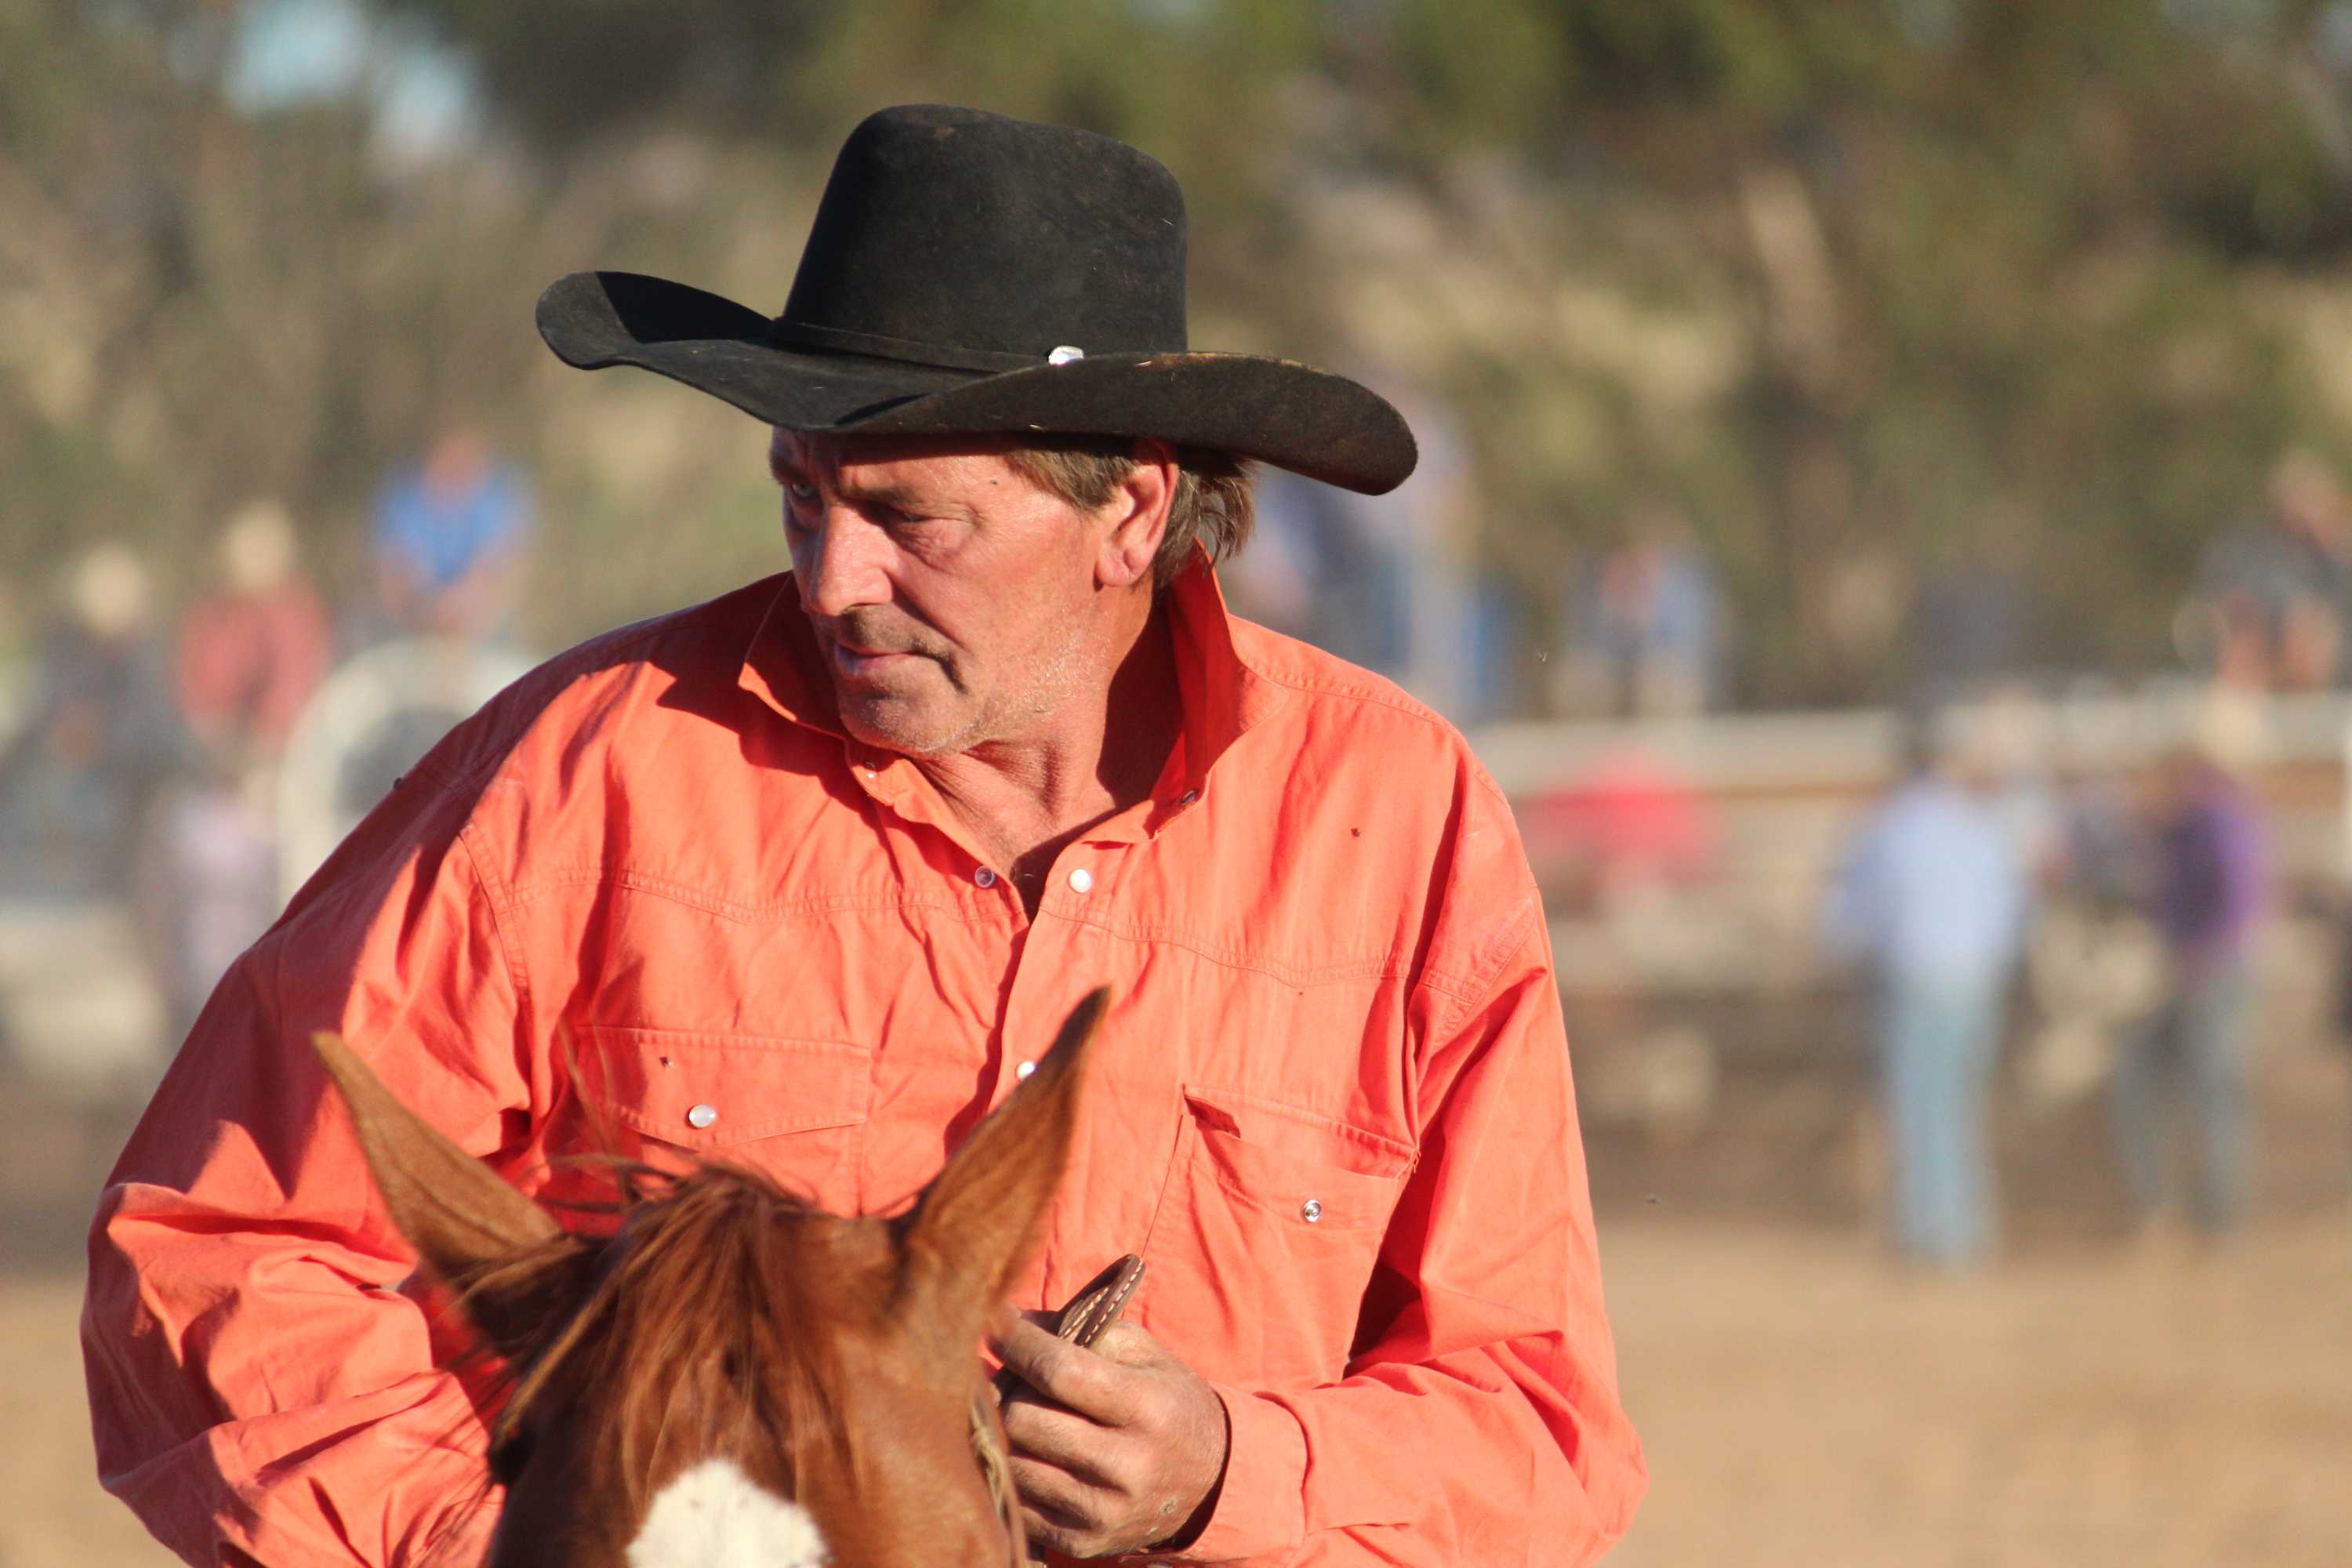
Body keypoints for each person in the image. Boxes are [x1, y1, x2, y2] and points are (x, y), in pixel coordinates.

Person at [84, 106, 1646, 1566]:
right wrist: (509, 1537)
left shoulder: (1399, 827)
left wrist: (1229, 1469)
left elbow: (1537, 1425)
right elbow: (221, 1240)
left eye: (911, 521)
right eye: (803, 499)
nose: (834, 579)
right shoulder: (594, 769)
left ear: (1127, 510)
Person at [1824, 714, 2030, 1269]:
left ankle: (1925, 1232)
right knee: (1961, 1105)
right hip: (1974, 978)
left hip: (1915, 974)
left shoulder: (1886, 825)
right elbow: (2009, 908)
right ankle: (1967, 1232)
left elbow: (1850, 916)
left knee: (1918, 1106)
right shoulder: (1978, 824)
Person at [2113, 702, 2270, 1239]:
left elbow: (2236, 900)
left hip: (2209, 970)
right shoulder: (2199, 820)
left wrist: (2198, 952)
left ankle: (2213, 1217)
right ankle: (2192, 1211)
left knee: (2212, 1091)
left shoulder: (2215, 818)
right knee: (2195, 1089)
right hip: (2200, 968)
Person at [369, 424, 535, 642]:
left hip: (485, 633)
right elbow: (394, 572)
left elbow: (502, 566)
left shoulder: (497, 498)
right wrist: (429, 608)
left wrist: (463, 606)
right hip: (411, 629)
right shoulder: (402, 498)